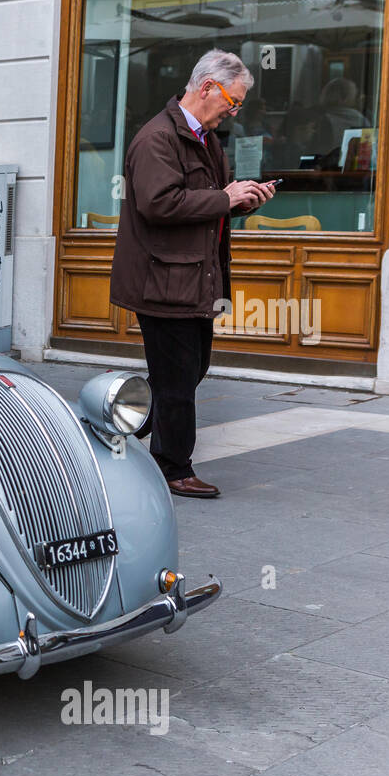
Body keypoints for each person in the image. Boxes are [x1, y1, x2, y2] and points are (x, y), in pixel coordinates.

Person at [109, 49, 275, 498]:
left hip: (192, 279)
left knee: (187, 369)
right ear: (206, 88)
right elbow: (159, 204)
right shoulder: (157, 139)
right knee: (178, 378)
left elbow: (203, 209)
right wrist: (225, 197)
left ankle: (118, 420)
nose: (233, 110)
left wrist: (241, 201)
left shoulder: (205, 140)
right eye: (232, 101)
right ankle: (172, 467)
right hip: (163, 281)